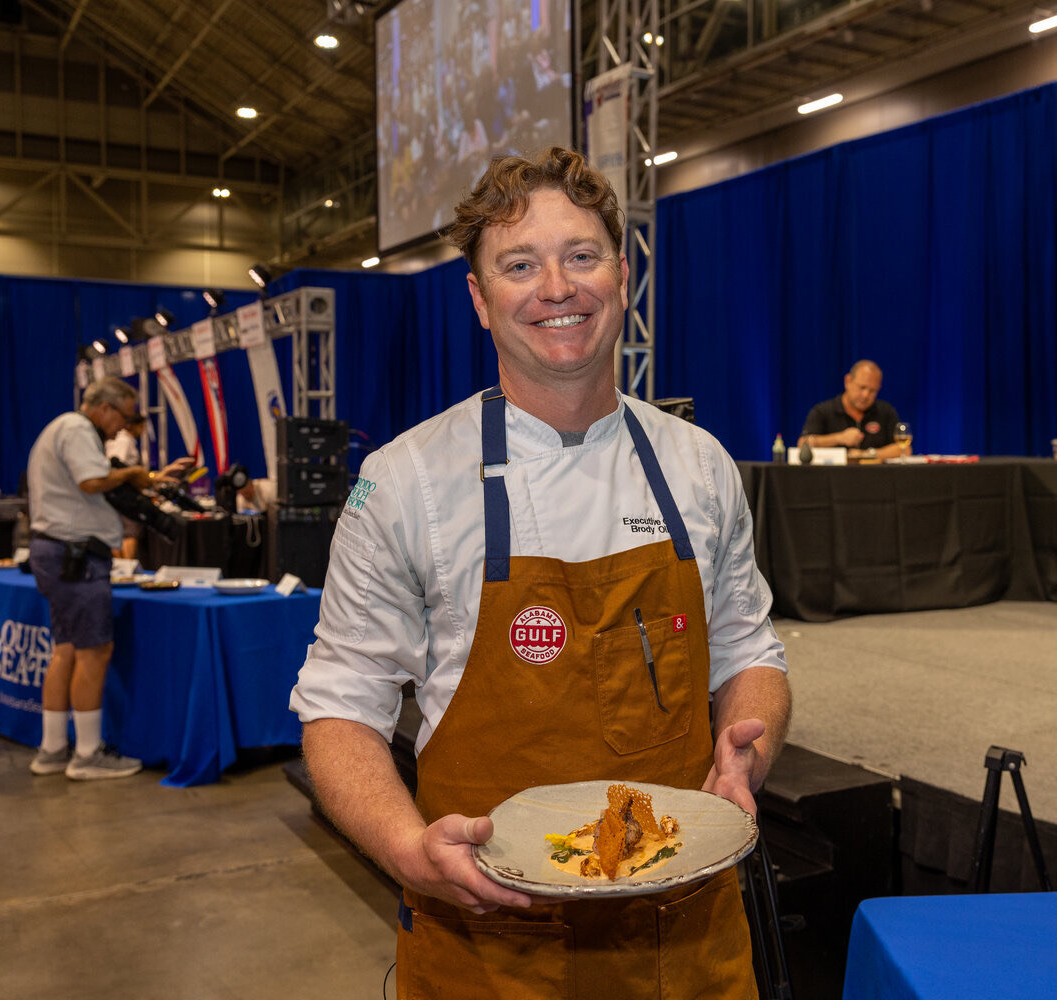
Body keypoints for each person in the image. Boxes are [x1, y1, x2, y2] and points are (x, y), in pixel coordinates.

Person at [291, 147, 791, 998]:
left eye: (581, 256)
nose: (556, 288)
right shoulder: (407, 481)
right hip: (489, 949)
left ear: (623, 277)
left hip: (685, 945)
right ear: (480, 299)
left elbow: (750, 651)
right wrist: (409, 850)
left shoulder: (699, 465)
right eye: (520, 266)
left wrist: (751, 748)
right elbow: (340, 707)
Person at [26, 378, 192, 780]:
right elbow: (92, 482)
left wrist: (148, 478)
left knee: (66, 649)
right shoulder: (77, 428)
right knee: (94, 652)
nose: (125, 426)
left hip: (58, 551)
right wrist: (134, 472)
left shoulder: (63, 427)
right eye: (125, 416)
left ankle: (52, 750)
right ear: (105, 408)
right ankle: (87, 755)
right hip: (76, 554)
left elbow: (97, 482)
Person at [798, 360, 906, 458]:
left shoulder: (885, 412)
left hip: (875, 473)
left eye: (872, 391)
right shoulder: (823, 411)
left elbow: (904, 449)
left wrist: (867, 454)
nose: (866, 395)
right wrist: (839, 438)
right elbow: (803, 444)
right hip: (834, 473)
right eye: (862, 387)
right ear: (848, 381)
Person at [104, 411, 147, 560]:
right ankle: (126, 566)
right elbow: (116, 465)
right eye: (141, 427)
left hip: (118, 492)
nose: (143, 431)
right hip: (122, 494)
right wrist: (135, 475)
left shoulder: (122, 439)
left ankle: (123, 566)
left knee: (122, 532)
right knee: (129, 533)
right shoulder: (124, 441)